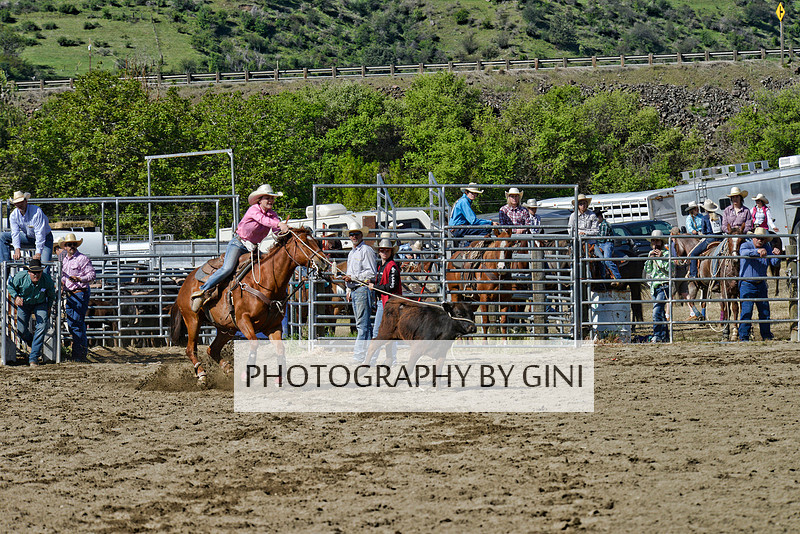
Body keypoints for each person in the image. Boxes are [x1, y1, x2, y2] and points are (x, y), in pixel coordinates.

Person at [191, 184, 289, 311]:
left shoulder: (273, 215)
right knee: (227, 268)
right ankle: (203, 291)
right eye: (267, 198)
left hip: (253, 248)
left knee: (268, 267)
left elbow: (276, 232)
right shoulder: (254, 210)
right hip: (239, 244)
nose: (270, 200)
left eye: (272, 198)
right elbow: (263, 220)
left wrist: (284, 232)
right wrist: (279, 224)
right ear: (260, 200)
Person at [7, 258, 56, 366]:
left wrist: (49, 307)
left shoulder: (47, 280)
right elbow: (10, 286)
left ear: (41, 272)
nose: (36, 275)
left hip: (40, 303)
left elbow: (51, 294)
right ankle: (32, 342)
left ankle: (33, 357)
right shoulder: (20, 277)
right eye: (33, 272)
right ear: (29, 272)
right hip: (24, 304)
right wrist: (16, 296)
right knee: (21, 330)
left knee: (42, 326)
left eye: (38, 272)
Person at [343, 220, 377, 362]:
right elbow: (350, 272)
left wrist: (353, 278)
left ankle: (359, 356)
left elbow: (371, 273)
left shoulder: (366, 251)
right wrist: (348, 290)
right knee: (364, 325)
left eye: (356, 234)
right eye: (352, 234)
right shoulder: (352, 253)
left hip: (362, 289)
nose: (354, 236)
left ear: (361, 235)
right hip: (355, 290)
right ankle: (369, 355)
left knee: (362, 325)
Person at [738, 227, 781, 342]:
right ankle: (744, 336)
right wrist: (756, 252)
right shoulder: (745, 245)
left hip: (761, 283)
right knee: (747, 311)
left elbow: (774, 263)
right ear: (753, 238)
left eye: (762, 238)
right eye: (758, 238)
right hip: (747, 283)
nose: (760, 240)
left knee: (764, 311)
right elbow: (743, 253)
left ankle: (766, 335)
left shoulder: (767, 247)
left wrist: (776, 255)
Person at [59, 233, 97, 362]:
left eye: (74, 244)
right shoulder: (65, 260)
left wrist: (80, 278)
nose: (72, 246)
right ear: (65, 247)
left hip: (80, 292)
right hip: (70, 294)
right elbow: (63, 277)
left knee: (76, 323)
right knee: (73, 323)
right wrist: (62, 283)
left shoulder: (82, 259)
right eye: (69, 244)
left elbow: (92, 275)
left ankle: (78, 354)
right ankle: (79, 353)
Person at [368, 238, 402, 366]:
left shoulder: (392, 266)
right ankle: (390, 359)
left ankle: (374, 359)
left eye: (387, 250)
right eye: (382, 250)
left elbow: (391, 287)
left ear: (391, 252)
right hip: (384, 303)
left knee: (379, 331)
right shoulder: (383, 266)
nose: (384, 252)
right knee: (387, 332)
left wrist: (375, 287)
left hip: (389, 304)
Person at [0, 191, 54, 269]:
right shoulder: (13, 215)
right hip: (29, 237)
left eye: (21, 202)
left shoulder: (36, 212)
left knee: (44, 267)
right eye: (17, 203)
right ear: (14, 204)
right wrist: (17, 248)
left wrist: (38, 253)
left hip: (45, 239)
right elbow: (15, 233)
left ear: (26, 201)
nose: (19, 205)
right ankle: (4, 267)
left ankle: (6, 267)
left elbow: (40, 233)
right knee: (2, 236)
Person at [643, 230, 669, 343]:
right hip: (654, 286)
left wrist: (662, 258)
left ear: (661, 242)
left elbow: (670, 270)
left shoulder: (667, 253)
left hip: (664, 285)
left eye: (657, 241)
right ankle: (665, 336)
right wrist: (650, 259)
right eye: (653, 241)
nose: (655, 243)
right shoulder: (650, 253)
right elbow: (648, 270)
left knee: (656, 312)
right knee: (660, 313)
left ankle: (657, 335)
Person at [688, 199, 723, 279]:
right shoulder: (720, 216)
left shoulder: (705, 218)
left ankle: (693, 274)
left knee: (693, 254)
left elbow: (704, 231)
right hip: (721, 239)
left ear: (706, 209)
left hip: (710, 239)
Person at [594, 208, 622, 286]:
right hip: (601, 243)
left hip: (607, 243)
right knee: (599, 260)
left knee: (607, 260)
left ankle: (617, 276)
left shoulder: (604, 225)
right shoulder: (599, 225)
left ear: (599, 217)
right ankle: (602, 278)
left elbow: (602, 237)